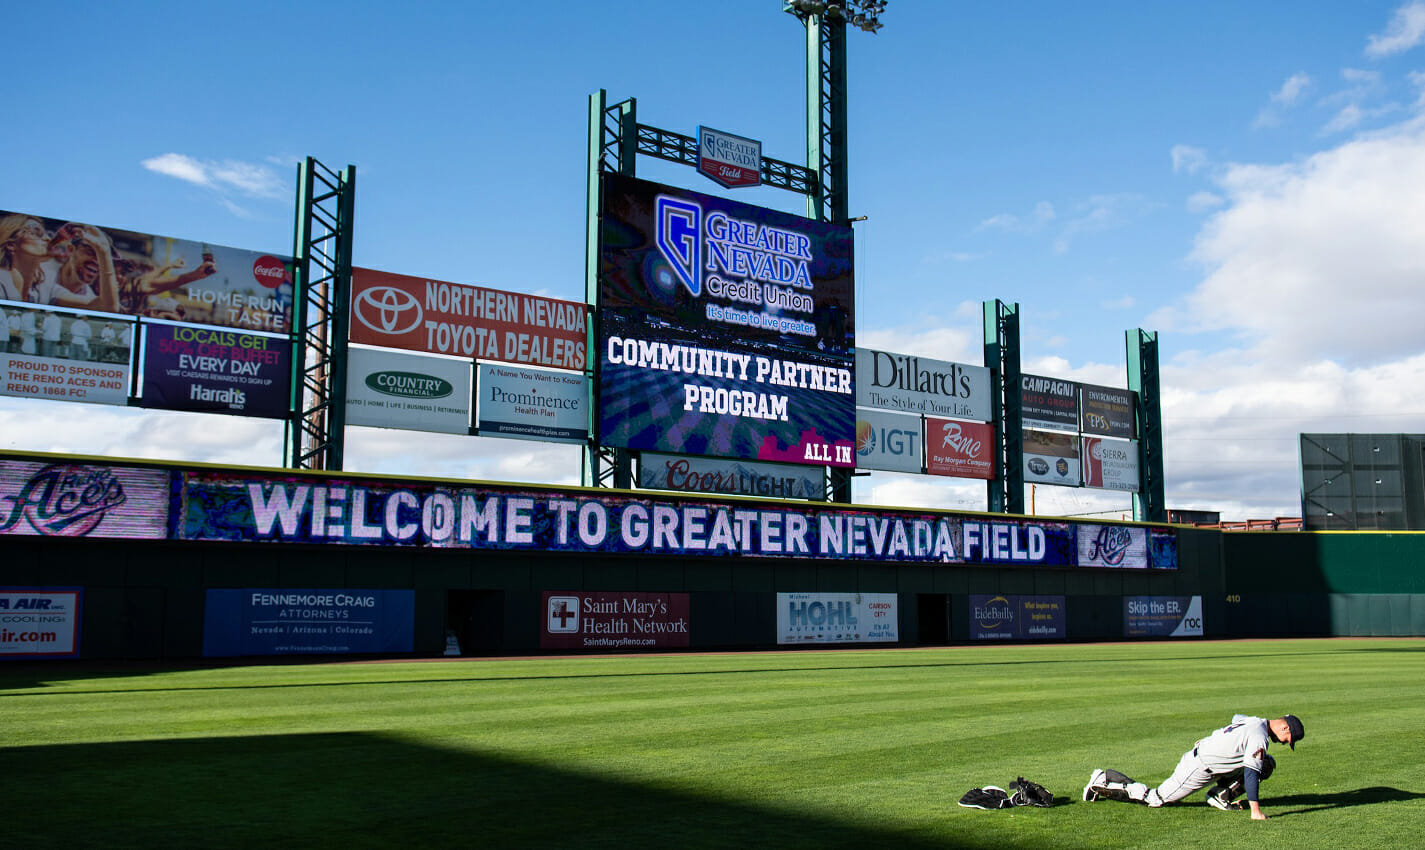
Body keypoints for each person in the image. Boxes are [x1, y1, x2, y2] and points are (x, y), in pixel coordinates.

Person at [1083, 714, 1303, 820]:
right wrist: (1256, 811)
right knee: (1156, 799)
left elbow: (1236, 719)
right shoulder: (1259, 736)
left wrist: (1212, 740)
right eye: (1288, 738)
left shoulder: (1257, 721)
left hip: (1212, 762)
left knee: (1266, 763)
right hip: (1199, 766)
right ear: (1284, 727)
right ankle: (1103, 779)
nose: (1285, 743)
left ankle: (1219, 796)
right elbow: (1250, 773)